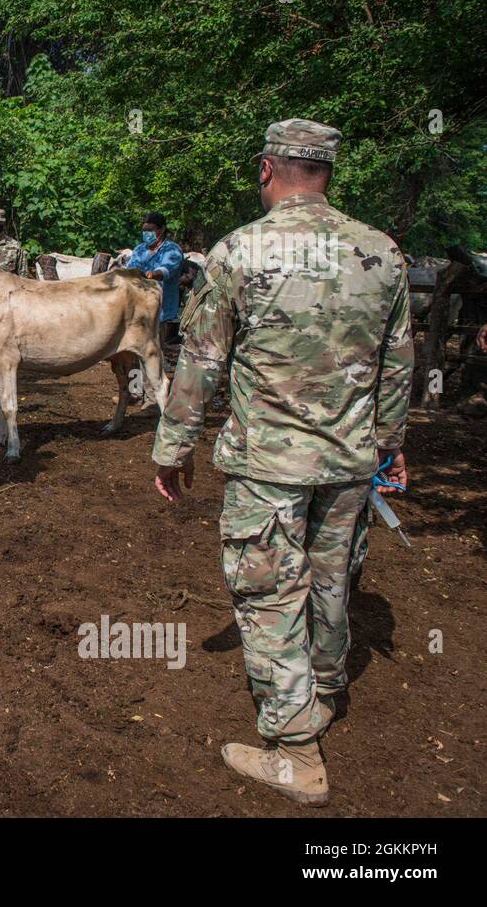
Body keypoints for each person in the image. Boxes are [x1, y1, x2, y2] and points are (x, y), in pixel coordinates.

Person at [152, 119, 414, 806]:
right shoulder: (382, 252)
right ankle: (323, 691)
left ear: (268, 169)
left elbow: (201, 360)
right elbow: (397, 364)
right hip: (351, 461)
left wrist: (173, 447)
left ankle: (295, 751)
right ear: (327, 170)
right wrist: (389, 445)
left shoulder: (241, 250)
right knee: (331, 583)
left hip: (270, 464)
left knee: (269, 594)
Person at [126, 211, 185, 345]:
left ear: (162, 229)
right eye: (144, 230)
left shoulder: (172, 250)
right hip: (139, 309)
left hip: (162, 311)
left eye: (150, 230)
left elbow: (165, 271)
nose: (146, 233)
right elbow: (130, 270)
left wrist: (151, 275)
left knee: (156, 349)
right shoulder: (139, 250)